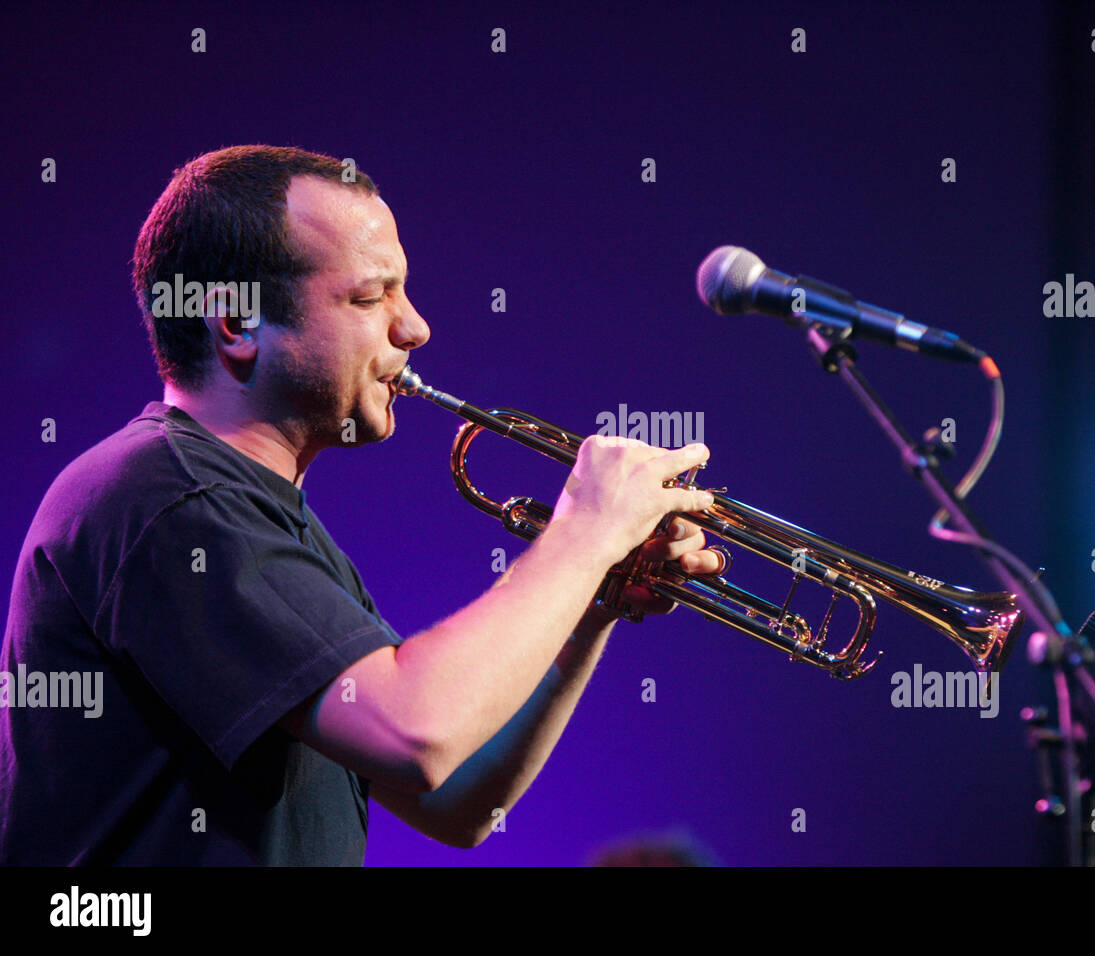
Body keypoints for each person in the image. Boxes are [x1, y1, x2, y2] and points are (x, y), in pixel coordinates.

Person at [0, 145, 720, 865]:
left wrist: (591, 602)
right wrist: (581, 535)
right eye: (372, 297)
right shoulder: (165, 494)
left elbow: (458, 802)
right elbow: (419, 732)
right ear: (237, 324)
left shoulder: (269, 520)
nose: (415, 328)